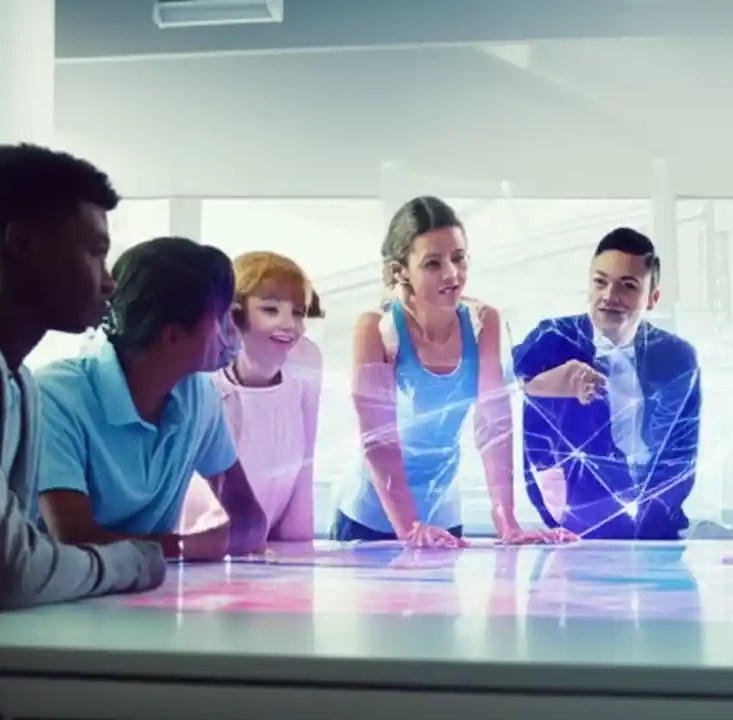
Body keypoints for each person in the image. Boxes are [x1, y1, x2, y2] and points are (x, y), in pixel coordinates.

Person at [0, 144, 164, 716]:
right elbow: (6, 572)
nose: (109, 281)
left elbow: (26, 553)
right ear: (21, 244)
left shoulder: (20, 380)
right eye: (94, 252)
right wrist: (130, 561)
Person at [338, 196, 566, 547]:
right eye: (432, 263)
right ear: (401, 272)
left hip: (443, 517)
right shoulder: (376, 329)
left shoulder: (483, 322)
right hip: (371, 517)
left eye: (458, 258)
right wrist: (410, 529)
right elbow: (379, 440)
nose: (452, 274)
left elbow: (494, 424)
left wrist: (506, 521)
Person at [35, 236, 267, 561]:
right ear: (172, 335)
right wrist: (186, 547)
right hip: (54, 601)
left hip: (146, 593)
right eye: (220, 315)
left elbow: (251, 522)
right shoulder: (55, 397)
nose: (231, 330)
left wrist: (206, 544)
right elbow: (73, 539)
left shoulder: (199, 394)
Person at [513, 228, 701, 539]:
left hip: (655, 531)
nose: (609, 296)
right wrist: (543, 384)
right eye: (600, 282)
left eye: (628, 286)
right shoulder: (552, 338)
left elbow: (682, 454)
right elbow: (492, 384)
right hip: (570, 529)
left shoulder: (678, 357)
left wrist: (648, 524)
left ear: (652, 298)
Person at [179, 251, 320, 542]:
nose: (289, 325)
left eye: (298, 312)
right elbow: (201, 488)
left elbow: (307, 459)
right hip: (210, 538)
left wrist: (299, 543)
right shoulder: (208, 380)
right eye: (270, 310)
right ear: (234, 315)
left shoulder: (305, 359)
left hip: (272, 541)